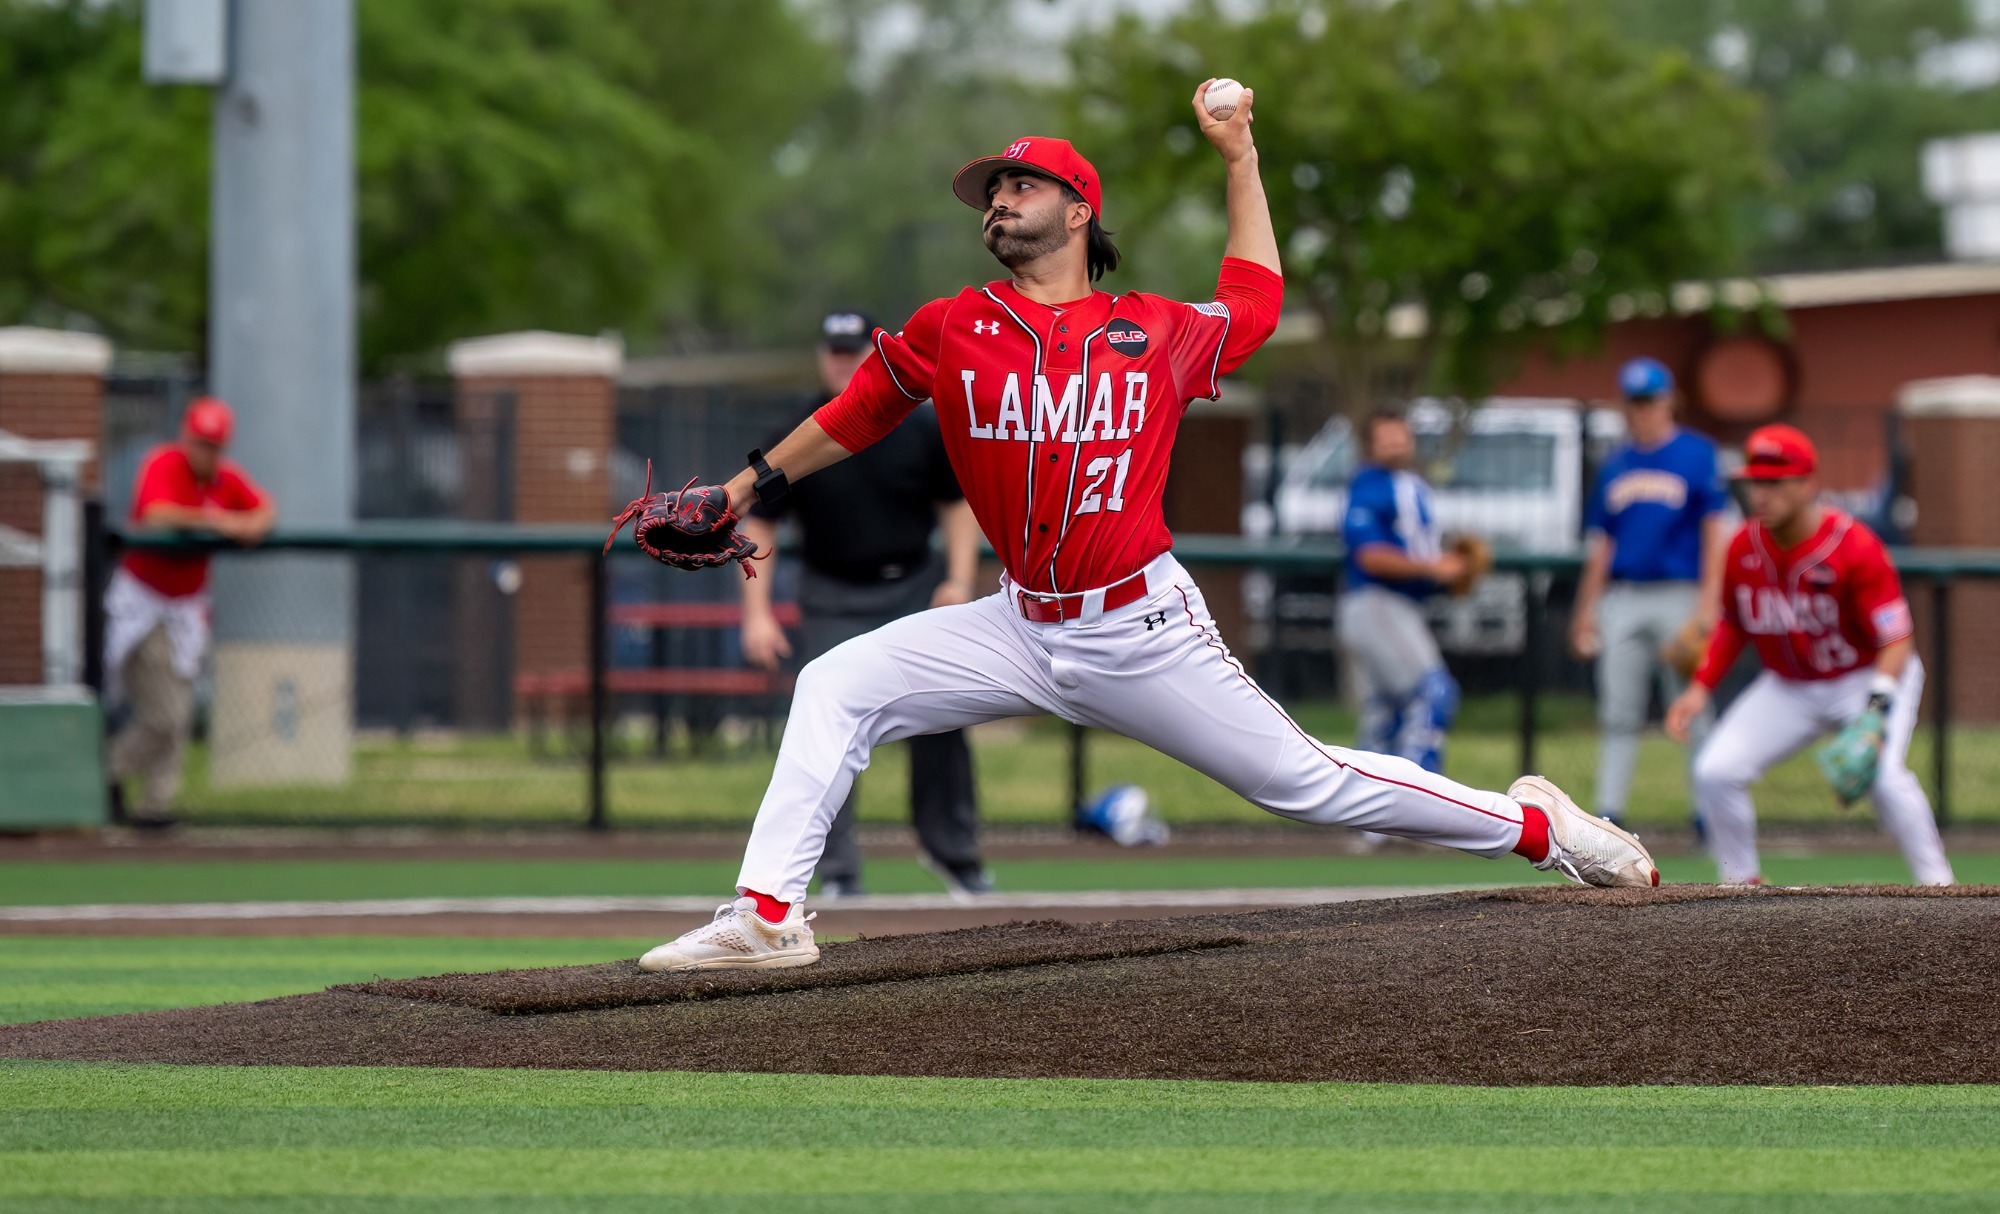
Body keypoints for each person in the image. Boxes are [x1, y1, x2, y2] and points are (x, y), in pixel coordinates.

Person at [638, 82, 1658, 973]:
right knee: (835, 685)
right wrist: (740, 488)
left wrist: (1240, 157)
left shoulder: (1152, 331)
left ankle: (1537, 826)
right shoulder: (956, 325)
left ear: (1079, 210)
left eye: (1021, 184)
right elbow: (862, 407)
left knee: (1309, 783)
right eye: (992, 190)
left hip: (1138, 626)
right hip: (1015, 624)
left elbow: (1254, 300)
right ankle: (767, 915)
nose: (999, 199)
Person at [739, 310, 990, 899]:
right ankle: (837, 871)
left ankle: (954, 854)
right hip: (833, 593)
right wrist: (757, 613)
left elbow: (957, 504)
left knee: (944, 717)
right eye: (834, 351)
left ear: (877, 357)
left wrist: (958, 579)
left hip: (913, 588)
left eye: (854, 351)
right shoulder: (796, 429)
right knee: (827, 725)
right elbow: (761, 523)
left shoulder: (922, 423)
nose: (842, 362)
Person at [1665, 425, 1951, 886]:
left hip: (1865, 675)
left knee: (1884, 778)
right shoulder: (1742, 546)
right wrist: (1700, 689)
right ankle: (1740, 886)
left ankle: (1941, 889)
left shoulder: (1854, 545)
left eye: (1775, 482)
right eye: (1755, 482)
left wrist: (1876, 709)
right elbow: (1734, 624)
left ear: (1807, 484)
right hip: (1790, 685)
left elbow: (1897, 639)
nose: (1761, 494)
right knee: (1716, 770)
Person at [1569, 358, 1729, 826]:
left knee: (1692, 707)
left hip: (1680, 593)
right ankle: (1609, 815)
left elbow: (1714, 532)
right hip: (1624, 596)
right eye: (1634, 402)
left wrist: (1709, 602)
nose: (1642, 411)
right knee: (1618, 712)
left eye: (1649, 401)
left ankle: (1708, 813)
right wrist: (1585, 610)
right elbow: (1602, 544)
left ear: (1669, 401)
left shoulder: (1697, 453)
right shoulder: (1615, 462)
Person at [104, 397, 274, 828]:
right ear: (186, 436)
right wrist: (219, 521)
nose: (206, 452)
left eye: (214, 445)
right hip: (144, 603)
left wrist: (244, 523)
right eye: (200, 442)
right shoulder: (164, 462)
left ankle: (155, 807)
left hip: (186, 609)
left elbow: (263, 511)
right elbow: (157, 514)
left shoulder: (225, 477)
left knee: (177, 716)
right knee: (164, 717)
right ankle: (105, 773)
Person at [1338, 409, 1465, 776]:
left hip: (1400, 607)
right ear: (1369, 446)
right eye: (1386, 438)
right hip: (1376, 602)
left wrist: (1447, 569)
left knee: (1385, 717)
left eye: (1400, 436)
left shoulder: (1412, 485)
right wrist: (1433, 567)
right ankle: (1421, 797)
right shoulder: (1368, 485)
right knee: (1432, 694)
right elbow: (1371, 556)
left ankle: (1367, 805)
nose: (1395, 444)